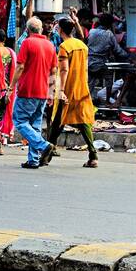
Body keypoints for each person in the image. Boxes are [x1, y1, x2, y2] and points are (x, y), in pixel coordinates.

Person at [47, 18, 100, 168]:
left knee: (57, 121)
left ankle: (47, 155)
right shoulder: (81, 45)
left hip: (68, 88)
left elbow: (64, 70)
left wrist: (61, 91)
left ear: (60, 30)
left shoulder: (64, 46)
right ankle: (93, 155)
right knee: (83, 123)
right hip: (82, 87)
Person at [9, 17, 57, 169]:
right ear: (41, 29)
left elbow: (20, 67)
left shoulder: (27, 43)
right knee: (35, 126)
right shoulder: (50, 45)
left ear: (27, 30)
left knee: (20, 121)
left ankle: (43, 146)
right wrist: (51, 92)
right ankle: (33, 160)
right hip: (43, 91)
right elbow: (53, 71)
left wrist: (11, 86)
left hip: (27, 90)